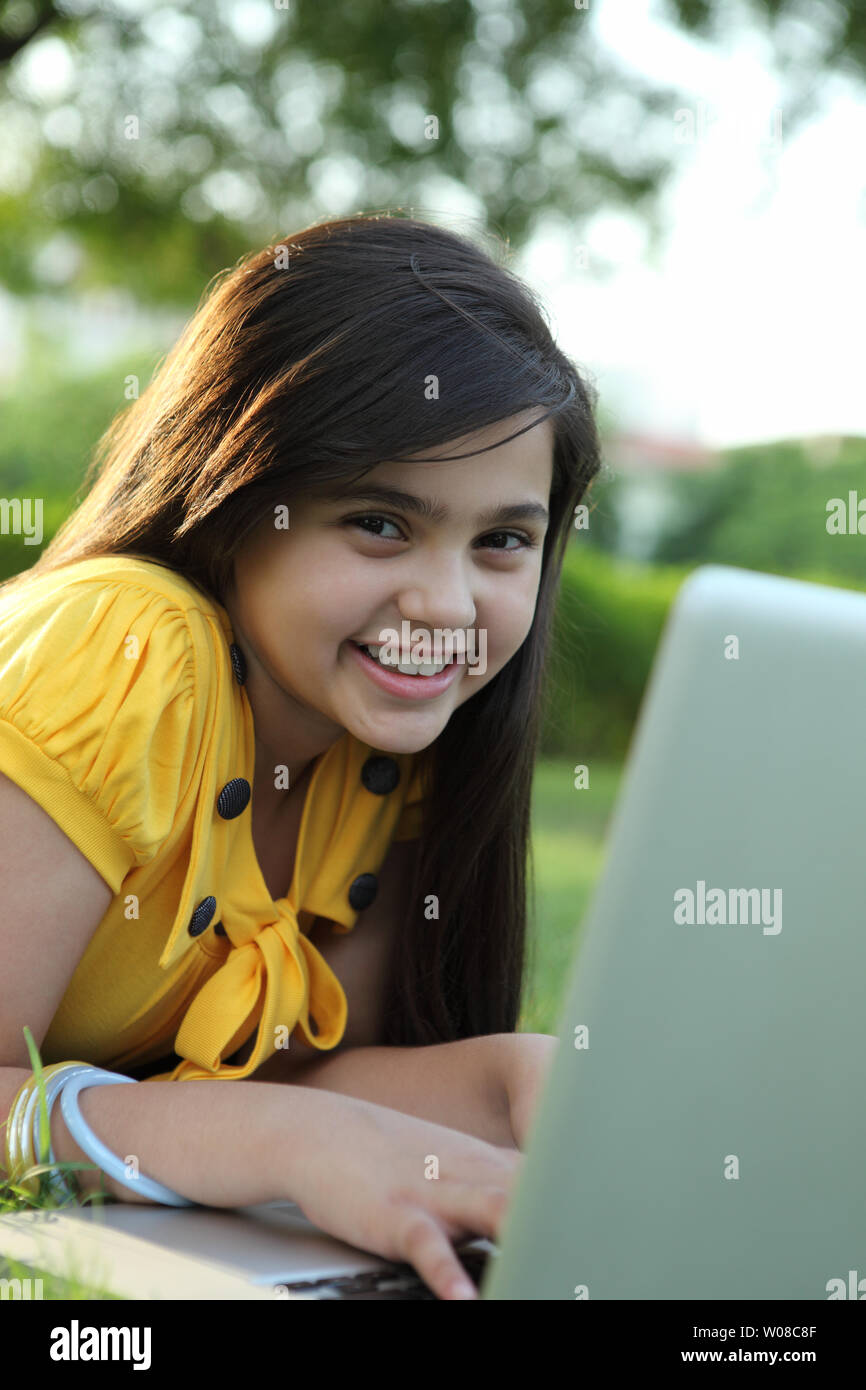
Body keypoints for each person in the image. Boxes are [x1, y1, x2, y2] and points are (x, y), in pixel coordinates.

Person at [0, 213, 602, 1299]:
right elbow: (260, 1110)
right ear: (236, 501)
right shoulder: (123, 649)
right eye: (378, 521)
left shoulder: (384, 741)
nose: (446, 603)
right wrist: (277, 1139)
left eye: (502, 540)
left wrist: (508, 1080)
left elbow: (287, 1076)